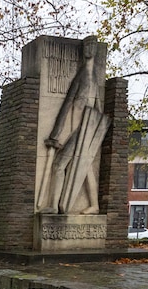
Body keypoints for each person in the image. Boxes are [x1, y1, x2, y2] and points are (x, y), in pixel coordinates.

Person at [37, 37, 109, 215]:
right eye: (86, 46)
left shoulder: (87, 75)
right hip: (83, 129)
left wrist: (56, 133)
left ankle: (54, 206)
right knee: (86, 167)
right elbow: (70, 103)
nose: (89, 49)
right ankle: (94, 205)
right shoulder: (86, 74)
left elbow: (79, 105)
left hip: (84, 130)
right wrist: (57, 132)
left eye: (92, 46)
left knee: (59, 165)